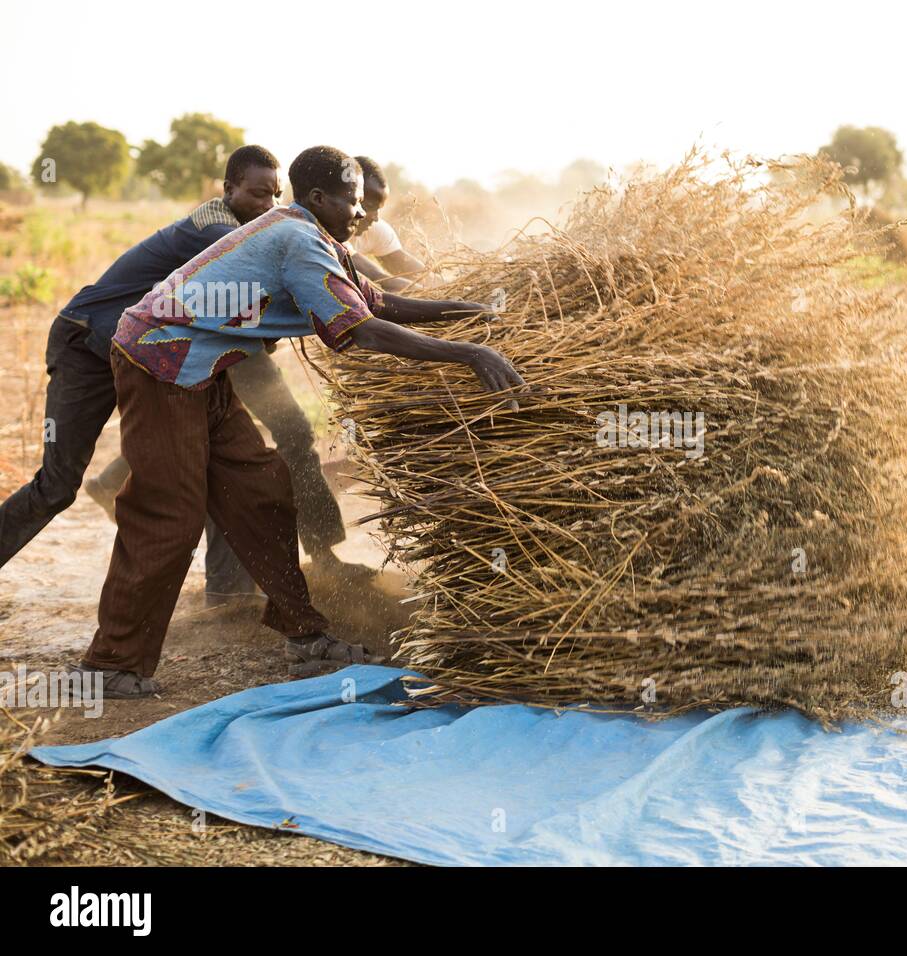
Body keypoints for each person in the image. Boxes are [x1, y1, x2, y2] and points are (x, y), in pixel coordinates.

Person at [77, 145, 525, 699]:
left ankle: (305, 636)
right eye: (353, 202)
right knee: (169, 514)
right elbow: (363, 331)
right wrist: (470, 355)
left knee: (262, 490)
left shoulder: (313, 235)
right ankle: (111, 665)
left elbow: (375, 303)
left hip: (202, 372)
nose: (362, 214)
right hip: (159, 363)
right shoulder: (298, 238)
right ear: (317, 198)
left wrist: (467, 310)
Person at [0, 146, 282, 570]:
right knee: (57, 487)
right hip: (87, 345)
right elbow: (265, 274)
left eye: (277, 195)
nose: (269, 206)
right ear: (228, 190)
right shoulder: (215, 230)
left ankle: (226, 590)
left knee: (209, 454)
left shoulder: (244, 232)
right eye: (259, 194)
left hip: (145, 359)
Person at [347, 156, 428, 292]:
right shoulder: (323, 234)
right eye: (369, 206)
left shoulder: (375, 230)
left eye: (379, 208)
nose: (375, 217)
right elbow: (379, 279)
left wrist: (460, 286)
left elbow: (416, 273)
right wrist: (431, 296)